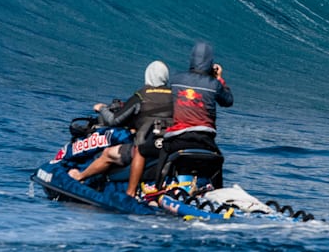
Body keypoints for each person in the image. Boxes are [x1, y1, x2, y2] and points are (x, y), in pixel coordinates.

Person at [67, 61, 173, 190]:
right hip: (168, 147)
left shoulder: (141, 96)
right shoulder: (175, 96)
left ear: (148, 76)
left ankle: (80, 176)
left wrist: (102, 108)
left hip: (144, 148)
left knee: (107, 153)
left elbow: (114, 121)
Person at [159, 41, 233, 186]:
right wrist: (219, 78)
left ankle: (156, 187)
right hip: (206, 141)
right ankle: (217, 193)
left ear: (192, 59)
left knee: (163, 152)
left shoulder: (176, 79)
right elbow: (228, 101)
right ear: (210, 63)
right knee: (218, 161)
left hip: (177, 139)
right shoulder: (214, 84)